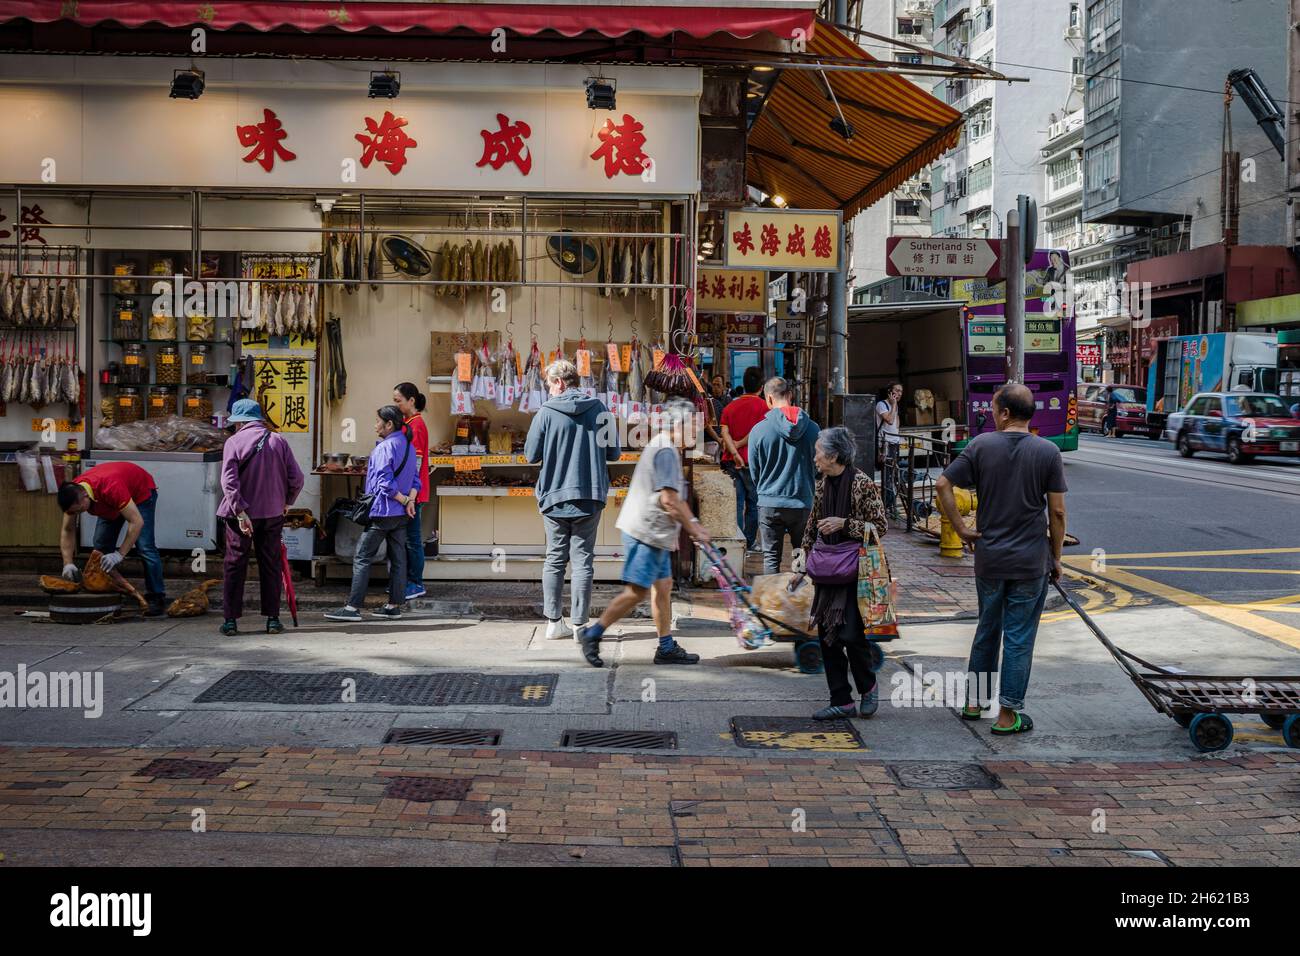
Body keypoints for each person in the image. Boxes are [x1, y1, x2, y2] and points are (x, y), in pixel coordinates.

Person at [935, 383, 1067, 736]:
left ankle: (974, 703)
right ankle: (1008, 717)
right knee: (1020, 638)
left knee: (987, 630)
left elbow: (943, 484)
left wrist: (962, 530)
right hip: (1030, 561)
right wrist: (1056, 558)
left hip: (990, 559)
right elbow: (1056, 512)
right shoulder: (1048, 452)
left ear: (1005, 413)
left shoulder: (980, 446)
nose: (992, 414)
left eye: (994, 409)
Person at [578, 398, 710, 668]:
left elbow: (671, 501)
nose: (696, 434)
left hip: (654, 533)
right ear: (679, 425)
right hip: (645, 533)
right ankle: (593, 634)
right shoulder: (666, 451)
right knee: (636, 592)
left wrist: (688, 525)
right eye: (693, 427)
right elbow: (669, 500)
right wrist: (694, 527)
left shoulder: (664, 446)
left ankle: (666, 647)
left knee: (663, 588)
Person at [788, 427, 888, 721]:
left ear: (833, 455)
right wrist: (800, 565)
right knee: (827, 637)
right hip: (827, 572)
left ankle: (868, 687)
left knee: (851, 635)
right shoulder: (822, 484)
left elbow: (879, 527)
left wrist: (845, 524)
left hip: (854, 572)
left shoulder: (862, 484)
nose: (815, 456)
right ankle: (841, 700)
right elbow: (811, 527)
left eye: (819, 451)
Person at [525, 359, 620, 640]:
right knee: (583, 561)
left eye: (548, 384)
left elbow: (531, 455)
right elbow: (613, 454)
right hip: (590, 495)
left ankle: (554, 624)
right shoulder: (600, 409)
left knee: (555, 559)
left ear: (559, 382)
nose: (548, 390)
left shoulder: (545, 413)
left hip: (554, 496)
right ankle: (580, 626)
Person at [216, 398, 304, 636]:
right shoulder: (278, 440)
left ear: (240, 423)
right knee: (271, 565)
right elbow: (297, 478)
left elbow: (229, 482)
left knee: (235, 565)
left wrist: (241, 511)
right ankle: (273, 620)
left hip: (240, 516)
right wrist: (287, 502)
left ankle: (231, 621)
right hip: (273, 514)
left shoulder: (233, 442)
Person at [325, 405, 420, 622]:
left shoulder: (384, 448)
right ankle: (394, 606)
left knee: (362, 556)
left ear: (389, 424)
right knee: (398, 559)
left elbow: (385, 484)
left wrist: (405, 500)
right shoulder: (408, 446)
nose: (375, 425)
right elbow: (416, 480)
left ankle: (352, 608)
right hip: (401, 514)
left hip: (384, 512)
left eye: (378, 421)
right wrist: (410, 501)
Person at [57, 461, 166, 616]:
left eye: (80, 510)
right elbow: (68, 529)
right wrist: (67, 563)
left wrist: (119, 554)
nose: (79, 514)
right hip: (110, 501)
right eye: (75, 512)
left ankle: (156, 596)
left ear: (85, 496)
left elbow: (136, 522)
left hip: (140, 492)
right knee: (100, 546)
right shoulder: (72, 494)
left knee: (145, 546)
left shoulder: (110, 487)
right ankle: (110, 589)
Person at [747, 376, 820, 575]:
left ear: (769, 399)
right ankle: (801, 600)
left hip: (769, 503)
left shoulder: (758, 431)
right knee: (801, 556)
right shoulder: (813, 429)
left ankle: (773, 604)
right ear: (791, 396)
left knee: (771, 557)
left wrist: (766, 488)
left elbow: (755, 472)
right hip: (802, 502)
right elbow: (820, 466)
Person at [719, 365, 767, 549]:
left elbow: (724, 432)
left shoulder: (730, 407)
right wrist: (740, 446)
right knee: (754, 504)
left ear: (744, 385)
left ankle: (738, 542)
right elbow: (759, 431)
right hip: (756, 464)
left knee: (736, 503)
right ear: (761, 387)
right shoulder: (765, 408)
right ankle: (749, 540)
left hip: (731, 462)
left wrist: (734, 448)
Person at [393, 382, 430, 602]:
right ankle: (405, 582)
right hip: (408, 493)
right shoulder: (407, 423)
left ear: (411, 401)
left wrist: (410, 496)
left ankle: (416, 583)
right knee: (407, 539)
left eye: (398, 400)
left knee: (412, 539)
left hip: (412, 494)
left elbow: (414, 462)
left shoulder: (416, 425)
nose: (395, 404)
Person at [876, 383, 903, 516]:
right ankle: (887, 506)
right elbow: (890, 421)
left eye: (900, 392)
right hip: (885, 444)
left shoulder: (895, 405)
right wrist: (893, 405)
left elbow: (897, 423)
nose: (898, 394)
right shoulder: (882, 405)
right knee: (887, 476)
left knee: (893, 475)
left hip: (894, 442)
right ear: (889, 392)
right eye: (896, 391)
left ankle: (891, 505)